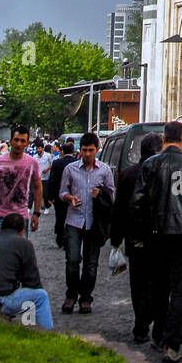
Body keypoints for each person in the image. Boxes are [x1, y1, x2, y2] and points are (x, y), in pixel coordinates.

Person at [128, 121, 182, 363]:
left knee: (158, 286)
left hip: (156, 235)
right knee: (180, 290)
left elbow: (137, 203)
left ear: (165, 138)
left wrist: (138, 236)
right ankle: (171, 341)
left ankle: (159, 333)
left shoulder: (150, 165)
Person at [110, 132, 162, 343]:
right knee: (156, 281)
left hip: (135, 238)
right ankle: (149, 319)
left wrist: (116, 238)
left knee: (139, 283)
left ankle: (141, 324)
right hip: (157, 237)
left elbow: (119, 209)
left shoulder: (130, 174)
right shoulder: (160, 173)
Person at [59, 132, 115, 315]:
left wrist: (101, 194)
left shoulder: (104, 170)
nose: (88, 154)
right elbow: (62, 192)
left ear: (97, 150)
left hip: (94, 222)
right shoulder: (70, 169)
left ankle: (85, 298)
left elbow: (112, 194)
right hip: (74, 220)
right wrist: (69, 197)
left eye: (91, 150)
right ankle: (71, 294)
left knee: (91, 264)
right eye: (84, 150)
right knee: (73, 260)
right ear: (79, 150)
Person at [0, 126, 42, 237]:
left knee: (19, 251)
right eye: (16, 140)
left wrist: (36, 213)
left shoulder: (32, 163)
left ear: (27, 143)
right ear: (10, 141)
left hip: (20, 216)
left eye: (22, 141)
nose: (19, 144)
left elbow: (38, 186)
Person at [47, 139, 76, 248]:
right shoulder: (76, 163)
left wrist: (50, 196)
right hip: (73, 194)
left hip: (59, 194)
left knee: (60, 216)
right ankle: (68, 237)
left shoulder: (57, 163)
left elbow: (52, 180)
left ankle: (60, 236)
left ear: (62, 151)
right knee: (71, 216)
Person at [36, 141, 54, 212]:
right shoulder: (35, 157)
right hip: (38, 177)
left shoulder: (48, 156)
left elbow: (52, 164)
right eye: (37, 148)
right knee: (38, 193)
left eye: (39, 148)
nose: (38, 150)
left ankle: (47, 207)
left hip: (46, 177)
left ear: (42, 148)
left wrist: (47, 169)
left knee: (45, 193)